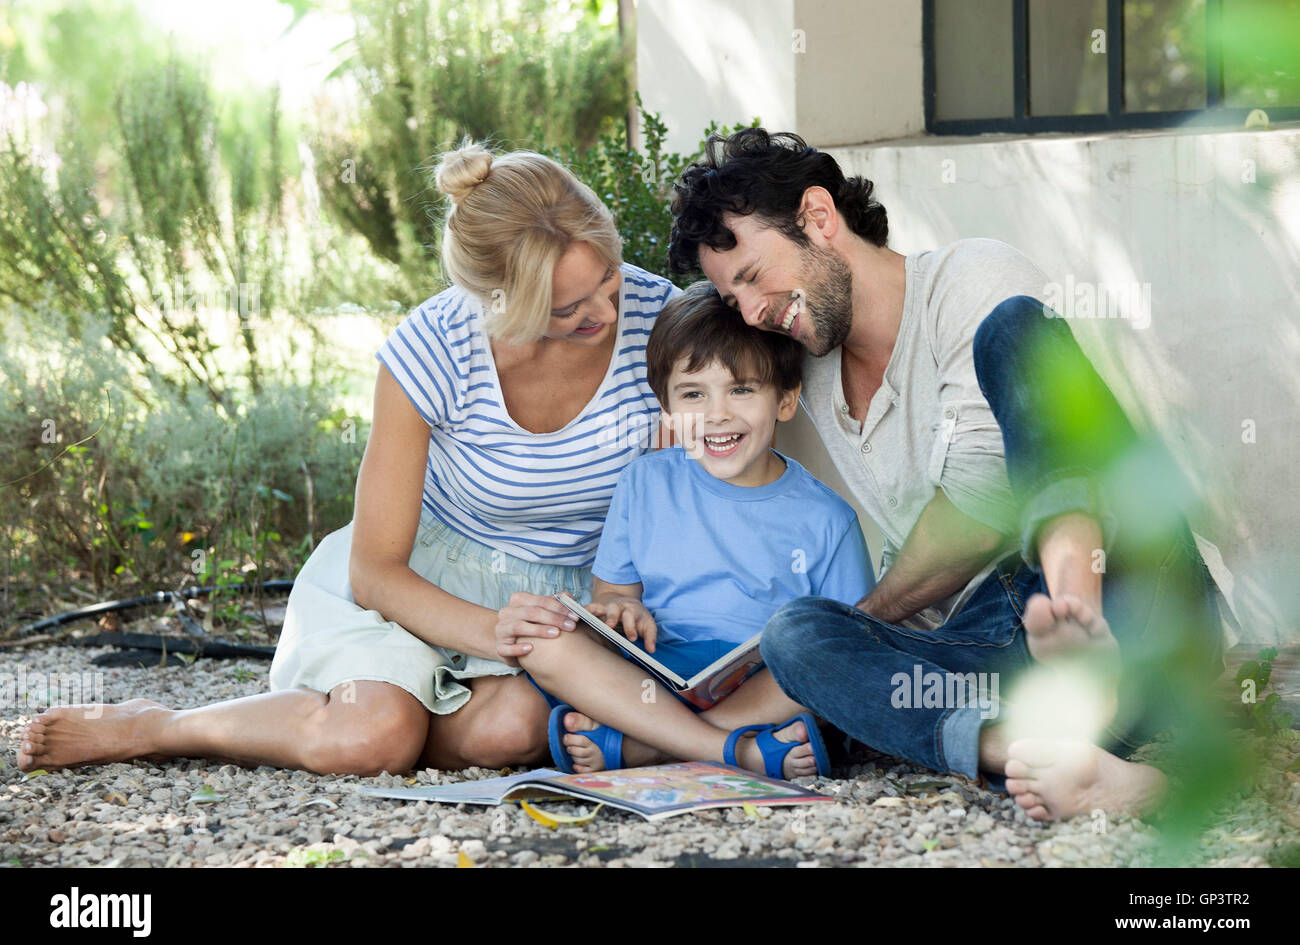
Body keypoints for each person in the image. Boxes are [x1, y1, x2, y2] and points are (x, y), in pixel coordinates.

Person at [16, 142, 681, 776]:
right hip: (421, 583)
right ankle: (158, 726)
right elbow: (375, 571)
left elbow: (693, 499)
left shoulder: (664, 325)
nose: (606, 309)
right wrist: (492, 629)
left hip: (562, 603)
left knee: (507, 733)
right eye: (568, 308)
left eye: (608, 277)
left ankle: (398, 720)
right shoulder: (433, 347)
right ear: (501, 303)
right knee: (369, 737)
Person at [667, 128, 1225, 820]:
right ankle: (1041, 753)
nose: (751, 311)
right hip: (1000, 638)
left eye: (751, 276)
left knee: (1014, 330)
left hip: (1135, 595)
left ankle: (1079, 639)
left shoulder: (973, 279)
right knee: (797, 634)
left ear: (817, 217)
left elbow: (980, 511)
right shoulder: (809, 368)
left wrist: (870, 617)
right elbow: (696, 367)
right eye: (732, 298)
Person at [503, 280, 875, 779]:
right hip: (655, 672)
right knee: (541, 640)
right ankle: (736, 751)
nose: (717, 415)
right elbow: (613, 592)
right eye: (693, 394)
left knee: (829, 665)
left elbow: (849, 643)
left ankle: (648, 745)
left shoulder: (827, 518)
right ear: (668, 408)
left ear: (786, 401)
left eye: (741, 389)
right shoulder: (644, 482)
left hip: (759, 683)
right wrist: (623, 608)